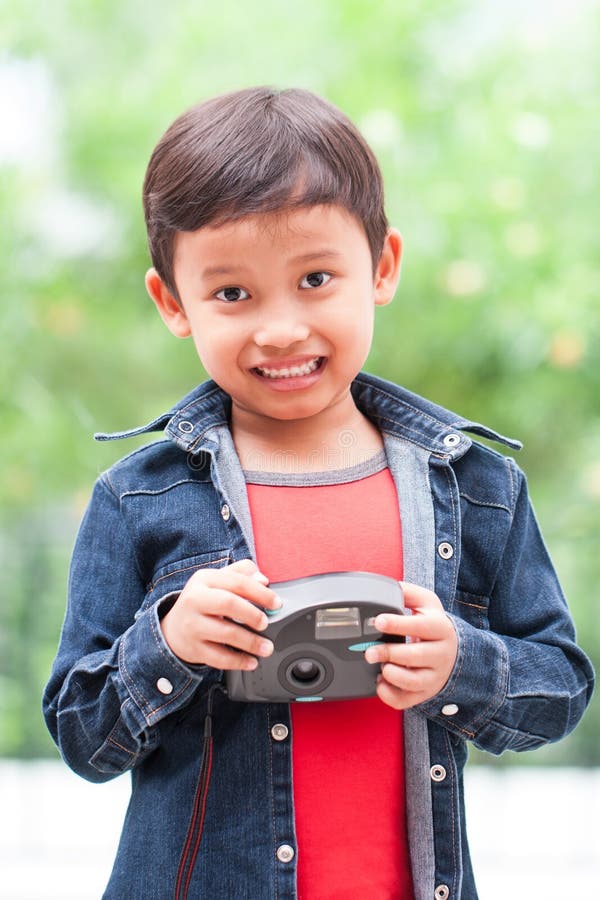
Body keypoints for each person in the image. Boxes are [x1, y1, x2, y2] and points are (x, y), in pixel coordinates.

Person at [43, 87, 594, 900]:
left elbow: (561, 686)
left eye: (315, 278)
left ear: (381, 268)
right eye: (232, 293)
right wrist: (171, 644)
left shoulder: (475, 489)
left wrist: (461, 665)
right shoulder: (138, 499)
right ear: (173, 303)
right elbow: (83, 736)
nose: (280, 328)